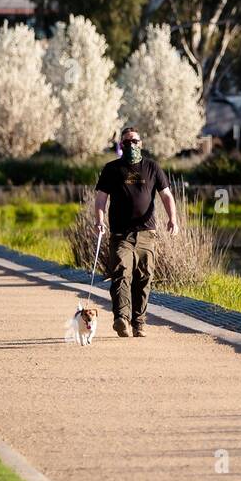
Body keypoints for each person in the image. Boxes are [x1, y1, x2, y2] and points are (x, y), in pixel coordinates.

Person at [93, 127, 178, 337]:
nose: (131, 145)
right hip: (121, 234)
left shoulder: (152, 167)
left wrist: (172, 220)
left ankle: (138, 321)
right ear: (121, 145)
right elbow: (101, 198)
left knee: (144, 277)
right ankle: (121, 318)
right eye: (126, 142)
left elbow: (166, 195)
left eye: (134, 141)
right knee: (121, 273)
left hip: (147, 233)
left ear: (141, 143)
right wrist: (99, 221)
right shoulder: (111, 169)